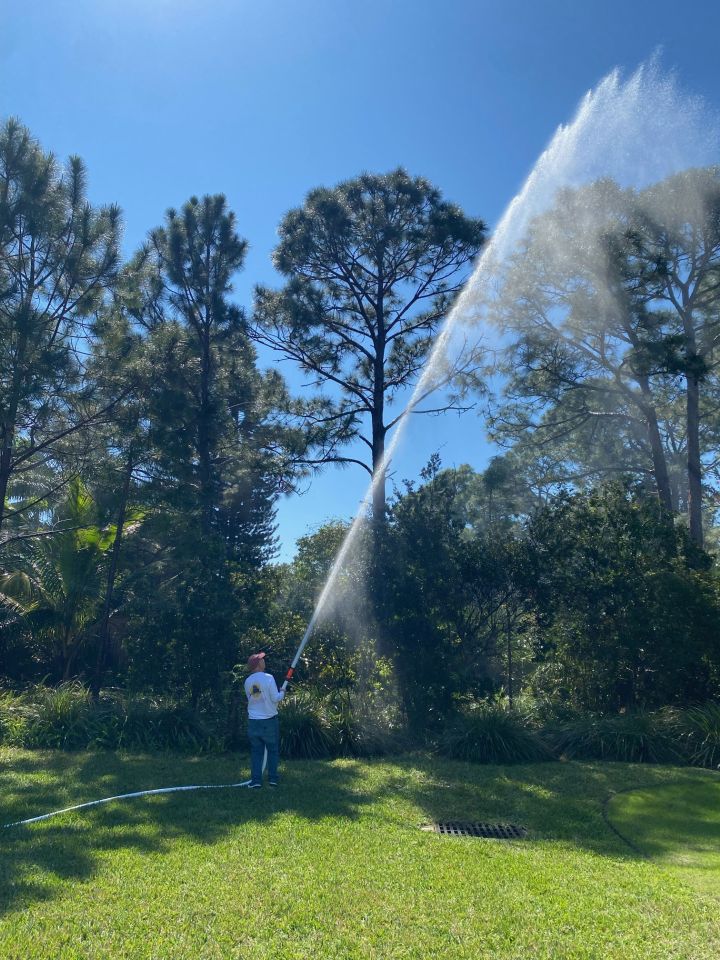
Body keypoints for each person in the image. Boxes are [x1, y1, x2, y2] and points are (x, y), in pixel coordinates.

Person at [244, 651, 285, 788]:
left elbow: (253, 699)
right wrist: (282, 692)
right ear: (258, 664)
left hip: (253, 722)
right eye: (262, 660)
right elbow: (275, 698)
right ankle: (272, 779)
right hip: (269, 721)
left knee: (256, 752)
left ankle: (256, 781)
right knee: (272, 750)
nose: (264, 661)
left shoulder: (247, 681)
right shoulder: (268, 678)